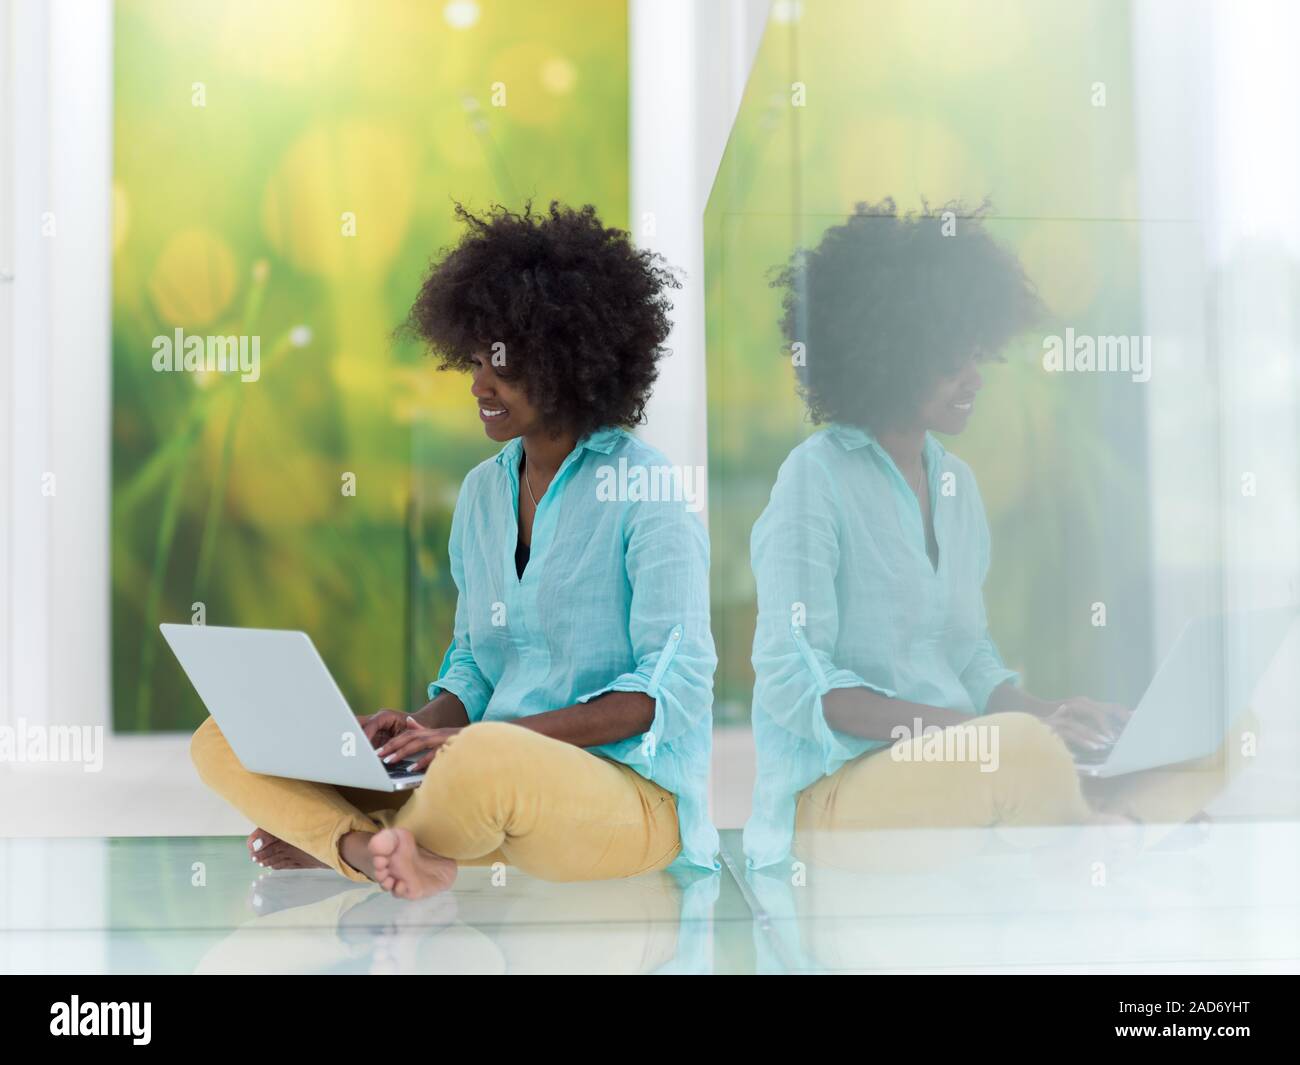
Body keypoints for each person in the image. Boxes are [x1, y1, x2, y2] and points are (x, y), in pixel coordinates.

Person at [192, 202, 719, 898]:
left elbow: (667, 691)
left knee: (488, 757)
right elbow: (474, 668)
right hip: (482, 781)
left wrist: (478, 744)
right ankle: (362, 844)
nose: (479, 385)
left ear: (571, 360)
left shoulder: (646, 488)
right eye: (474, 360)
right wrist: (417, 729)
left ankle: (340, 840)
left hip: (628, 798)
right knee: (224, 732)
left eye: (502, 365)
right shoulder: (480, 495)